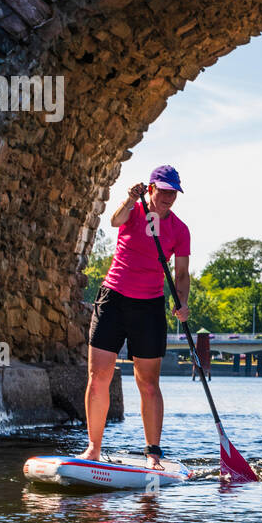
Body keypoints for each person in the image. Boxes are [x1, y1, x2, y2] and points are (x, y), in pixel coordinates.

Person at [79, 165, 191, 471]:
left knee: (148, 384)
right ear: (151, 189)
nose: (168, 197)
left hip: (149, 306)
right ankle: (93, 448)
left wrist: (182, 303)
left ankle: (153, 453)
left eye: (173, 192)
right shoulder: (134, 211)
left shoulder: (180, 230)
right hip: (113, 299)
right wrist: (129, 200)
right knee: (98, 376)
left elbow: (181, 275)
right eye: (163, 190)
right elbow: (115, 220)